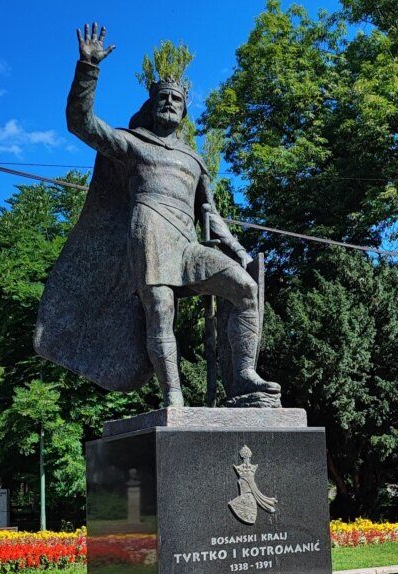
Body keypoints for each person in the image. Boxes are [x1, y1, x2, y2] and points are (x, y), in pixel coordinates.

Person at [35, 23, 280, 408]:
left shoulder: (194, 159)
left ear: (184, 110)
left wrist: (237, 250)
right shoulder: (133, 144)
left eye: (176, 99)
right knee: (161, 313)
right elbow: (81, 123)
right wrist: (88, 68)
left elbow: (208, 212)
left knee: (245, 290)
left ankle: (245, 374)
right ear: (151, 104)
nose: (169, 103)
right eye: (163, 97)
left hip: (187, 244)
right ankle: (173, 396)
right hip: (148, 234)